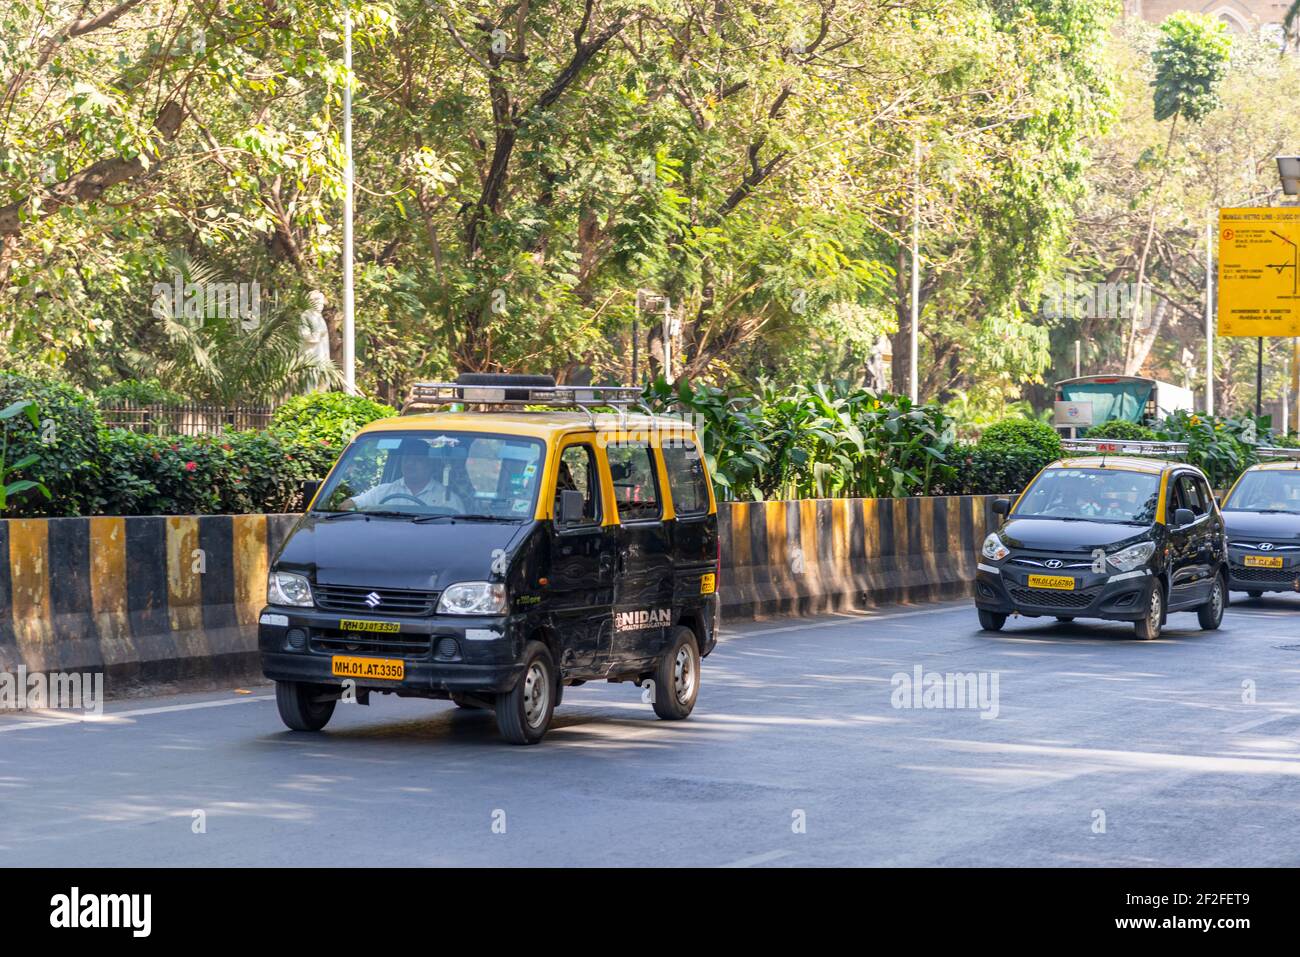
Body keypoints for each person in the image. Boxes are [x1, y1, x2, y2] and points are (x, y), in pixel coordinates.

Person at [341, 437, 467, 511]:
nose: (410, 464)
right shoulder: (383, 491)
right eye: (406, 459)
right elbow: (346, 506)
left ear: (430, 465)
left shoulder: (447, 498)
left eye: (417, 460)